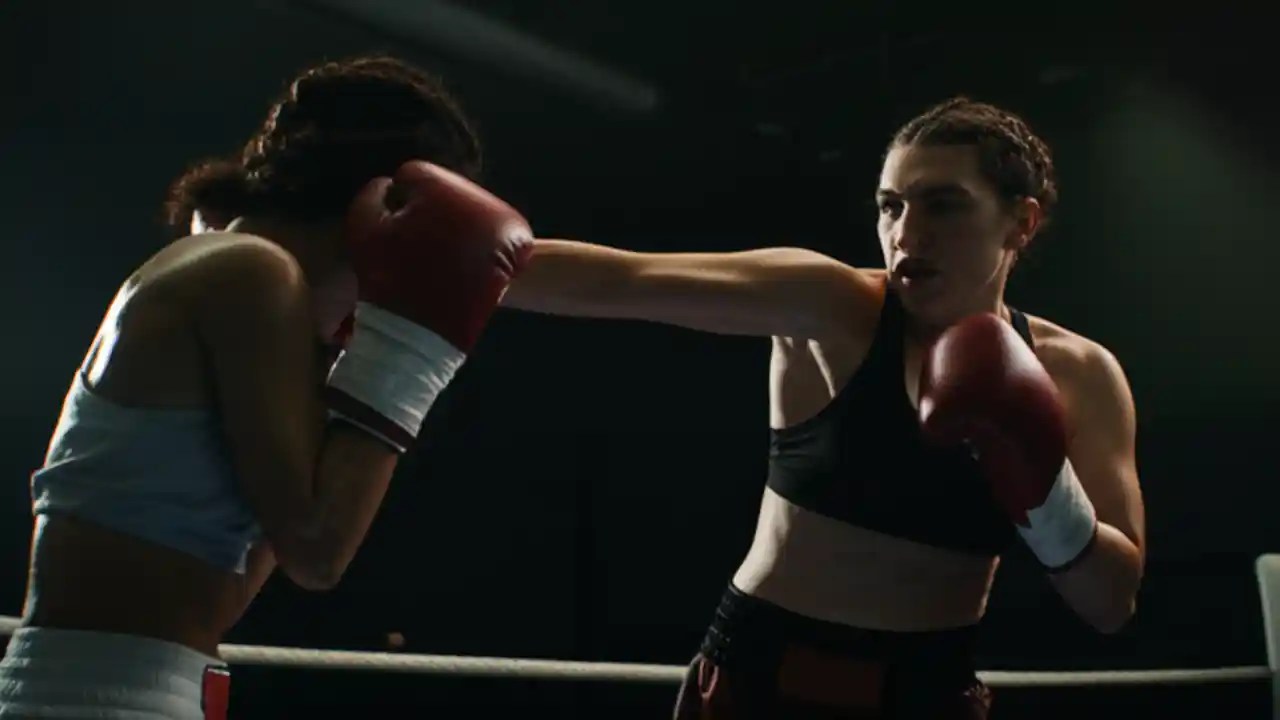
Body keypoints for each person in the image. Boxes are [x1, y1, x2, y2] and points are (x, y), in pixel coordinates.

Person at [502, 97, 1145, 718]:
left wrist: (1043, 483)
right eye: (890, 206)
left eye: (943, 205)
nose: (906, 234)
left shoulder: (1079, 375)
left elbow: (1111, 604)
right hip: (764, 679)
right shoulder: (832, 309)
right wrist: (454, 256)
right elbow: (627, 280)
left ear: (1021, 222)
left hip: (929, 693)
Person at [0, 56, 532, 719]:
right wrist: (409, 350)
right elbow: (317, 552)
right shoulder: (249, 274)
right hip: (100, 697)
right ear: (377, 208)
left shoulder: (235, 272)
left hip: (121, 687)